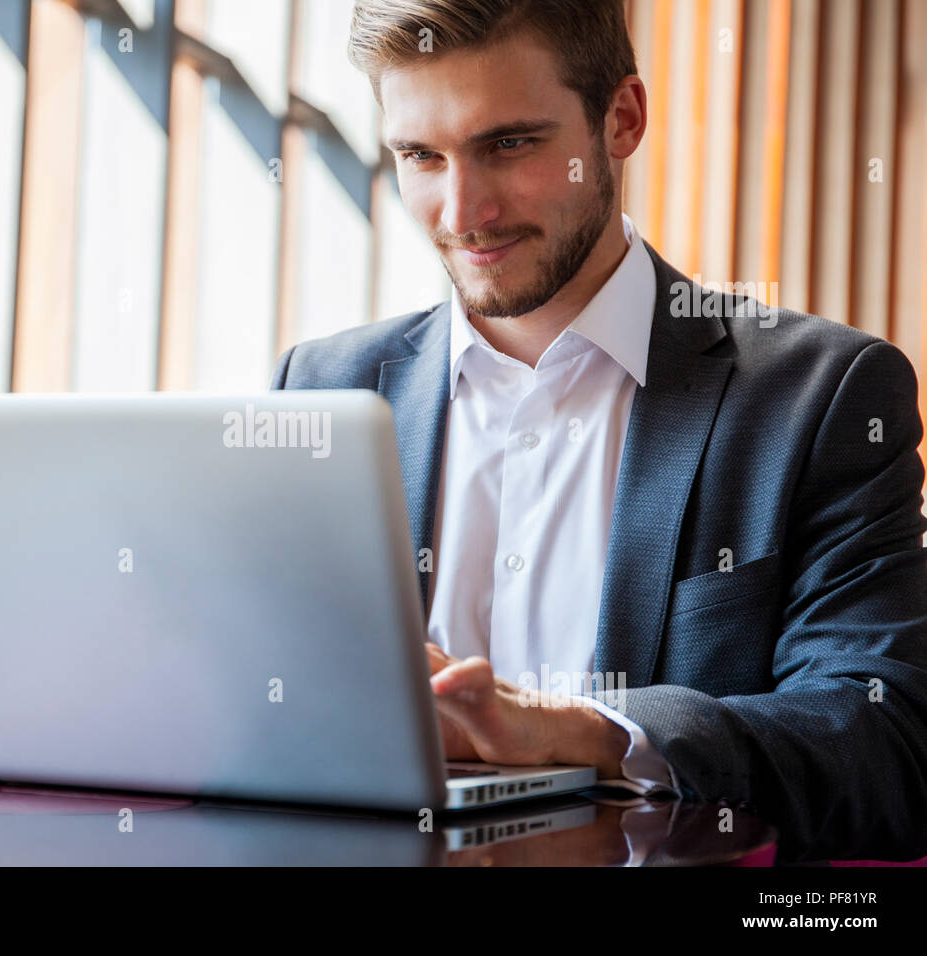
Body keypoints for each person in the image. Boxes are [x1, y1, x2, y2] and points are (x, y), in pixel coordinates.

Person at [271, 0, 927, 859]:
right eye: (420, 155)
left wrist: (597, 735)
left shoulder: (818, 396)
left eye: (509, 143)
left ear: (622, 119)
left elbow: (888, 746)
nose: (463, 211)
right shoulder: (320, 390)